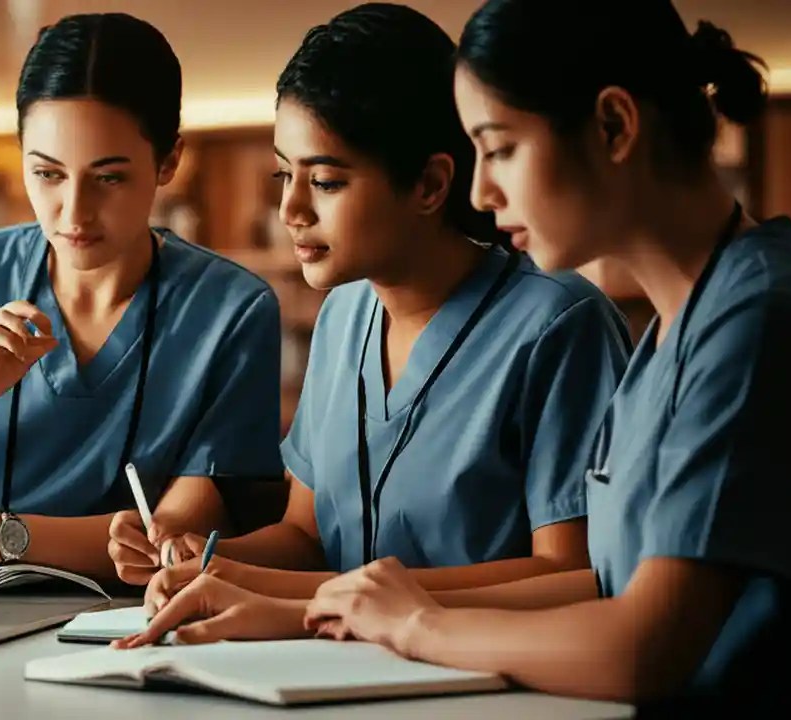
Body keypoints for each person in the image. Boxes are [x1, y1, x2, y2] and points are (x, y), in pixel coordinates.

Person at [137, 0, 791, 707]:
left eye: (502, 147)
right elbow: (598, 585)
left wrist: (408, 621)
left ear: (613, 126)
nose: (481, 191)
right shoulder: (682, 326)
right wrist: (294, 595)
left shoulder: (752, 321)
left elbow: (640, 650)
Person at [113, 2, 629, 626]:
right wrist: (207, 561)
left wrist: (321, 596)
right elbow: (306, 537)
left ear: (431, 185)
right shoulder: (343, 315)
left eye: (326, 181)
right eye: (284, 175)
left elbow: (572, 573)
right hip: (330, 666)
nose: (291, 209)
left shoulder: (558, 324)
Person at [0, 12, 283, 583]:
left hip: (116, 623)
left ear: (168, 161)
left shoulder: (231, 309)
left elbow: (165, 541)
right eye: (48, 174)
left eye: (108, 178)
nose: (74, 214)